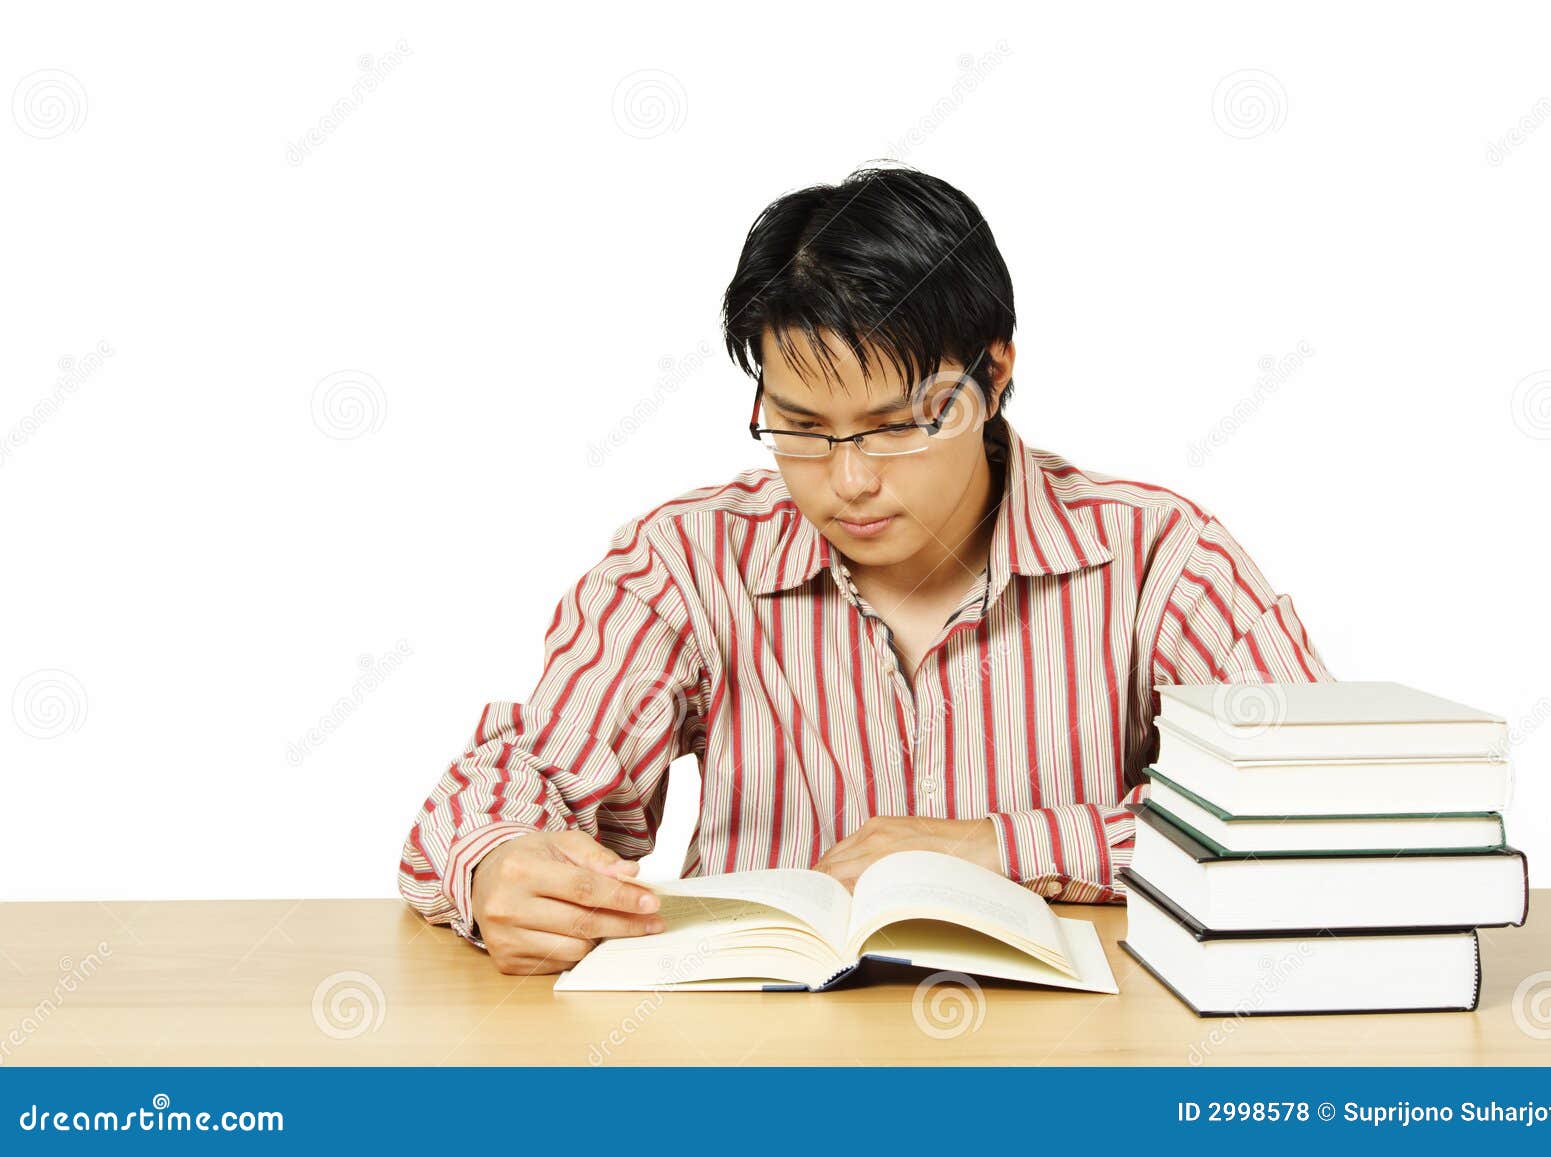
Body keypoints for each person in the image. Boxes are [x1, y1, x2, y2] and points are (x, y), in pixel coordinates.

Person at [397, 164, 1332, 974]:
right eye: (799, 428)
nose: (848, 481)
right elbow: (516, 781)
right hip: (757, 1069)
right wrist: (496, 866)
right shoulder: (686, 562)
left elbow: (1325, 807)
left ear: (994, 375)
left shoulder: (1160, 558)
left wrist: (1008, 848)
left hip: (1073, 1068)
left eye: (895, 425)